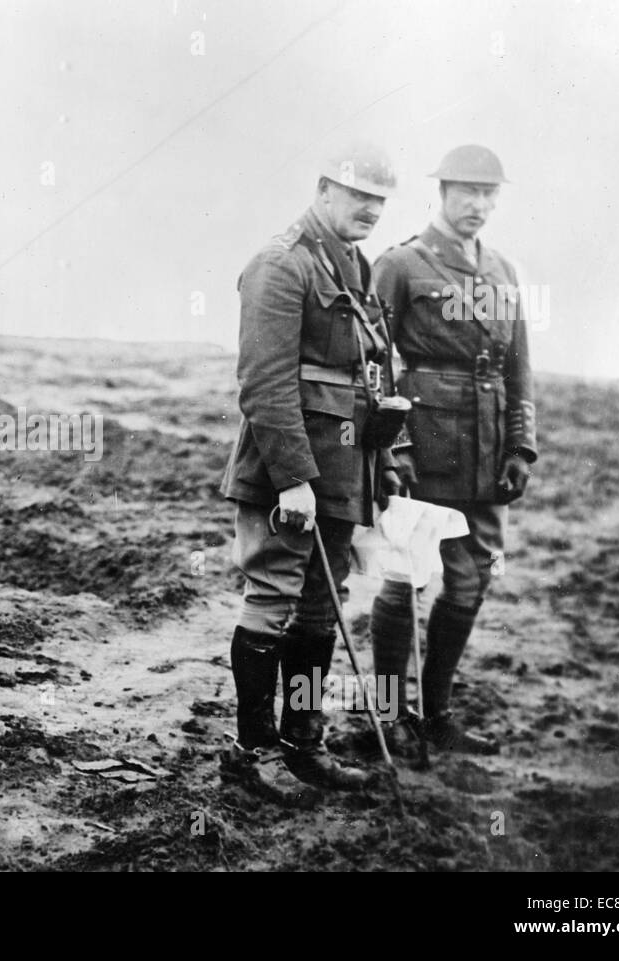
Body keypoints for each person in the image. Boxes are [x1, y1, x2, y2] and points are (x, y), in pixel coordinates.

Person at [219, 142, 403, 793]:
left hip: (343, 471)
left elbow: (368, 377)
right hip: (285, 474)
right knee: (272, 600)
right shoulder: (281, 262)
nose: (372, 210)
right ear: (326, 189)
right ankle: (252, 749)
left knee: (321, 611)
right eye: (360, 196)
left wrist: (379, 472)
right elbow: (264, 383)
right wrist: (294, 475)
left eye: (381, 200)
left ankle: (303, 741)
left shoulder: (357, 267)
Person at [367, 145, 536, 756]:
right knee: (405, 577)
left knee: (469, 583)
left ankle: (436, 713)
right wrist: (396, 444)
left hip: (487, 450)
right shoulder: (402, 265)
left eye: (489, 194)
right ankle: (387, 718)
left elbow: (519, 364)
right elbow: (372, 361)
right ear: (441, 192)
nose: (479, 205)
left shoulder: (503, 271)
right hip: (425, 447)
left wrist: (521, 445)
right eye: (467, 192)